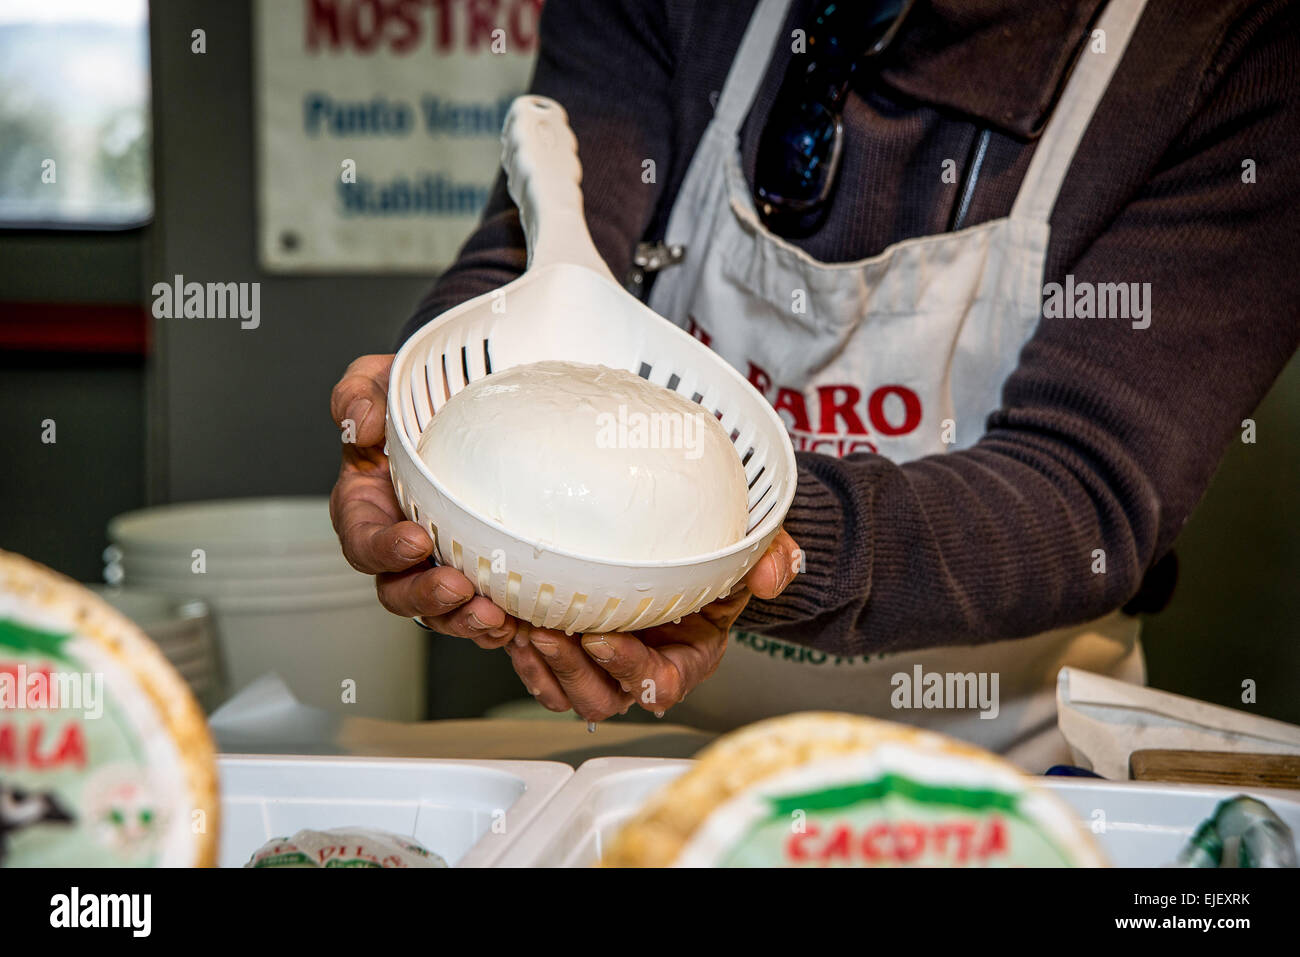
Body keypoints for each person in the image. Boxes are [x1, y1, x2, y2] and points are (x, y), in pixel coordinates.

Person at [330, 0, 1300, 768]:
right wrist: (433, 424)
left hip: (992, 767)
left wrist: (740, 559)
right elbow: (546, 237)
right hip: (644, 750)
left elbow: (1084, 492)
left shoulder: (1236, 48)